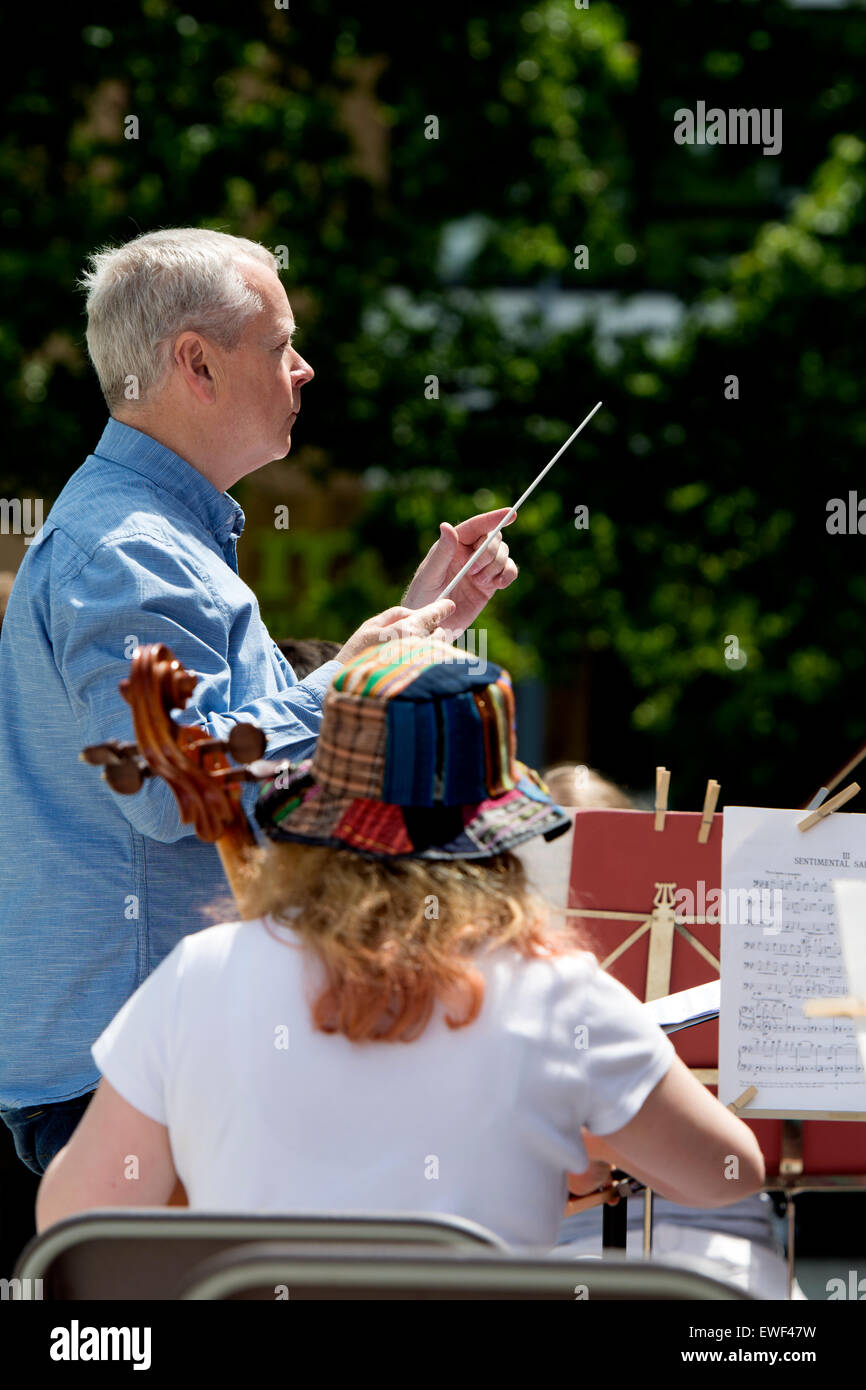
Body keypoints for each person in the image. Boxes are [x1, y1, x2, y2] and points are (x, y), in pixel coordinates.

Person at [0, 227, 517, 1178]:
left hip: (152, 1064)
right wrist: (352, 685)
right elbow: (174, 784)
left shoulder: (150, 537)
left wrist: (407, 630)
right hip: (139, 1072)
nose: (305, 368)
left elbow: (244, 768)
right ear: (194, 363)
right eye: (282, 344)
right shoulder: (127, 549)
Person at [35, 641, 764, 1251]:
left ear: (322, 805)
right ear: (497, 830)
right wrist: (576, 1134)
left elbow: (74, 1219)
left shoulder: (201, 974)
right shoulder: (559, 994)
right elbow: (729, 1175)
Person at [538, 763, 802, 1299]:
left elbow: (749, 1166)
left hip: (728, 1246)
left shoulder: (727, 955)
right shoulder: (515, 987)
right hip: (569, 1255)